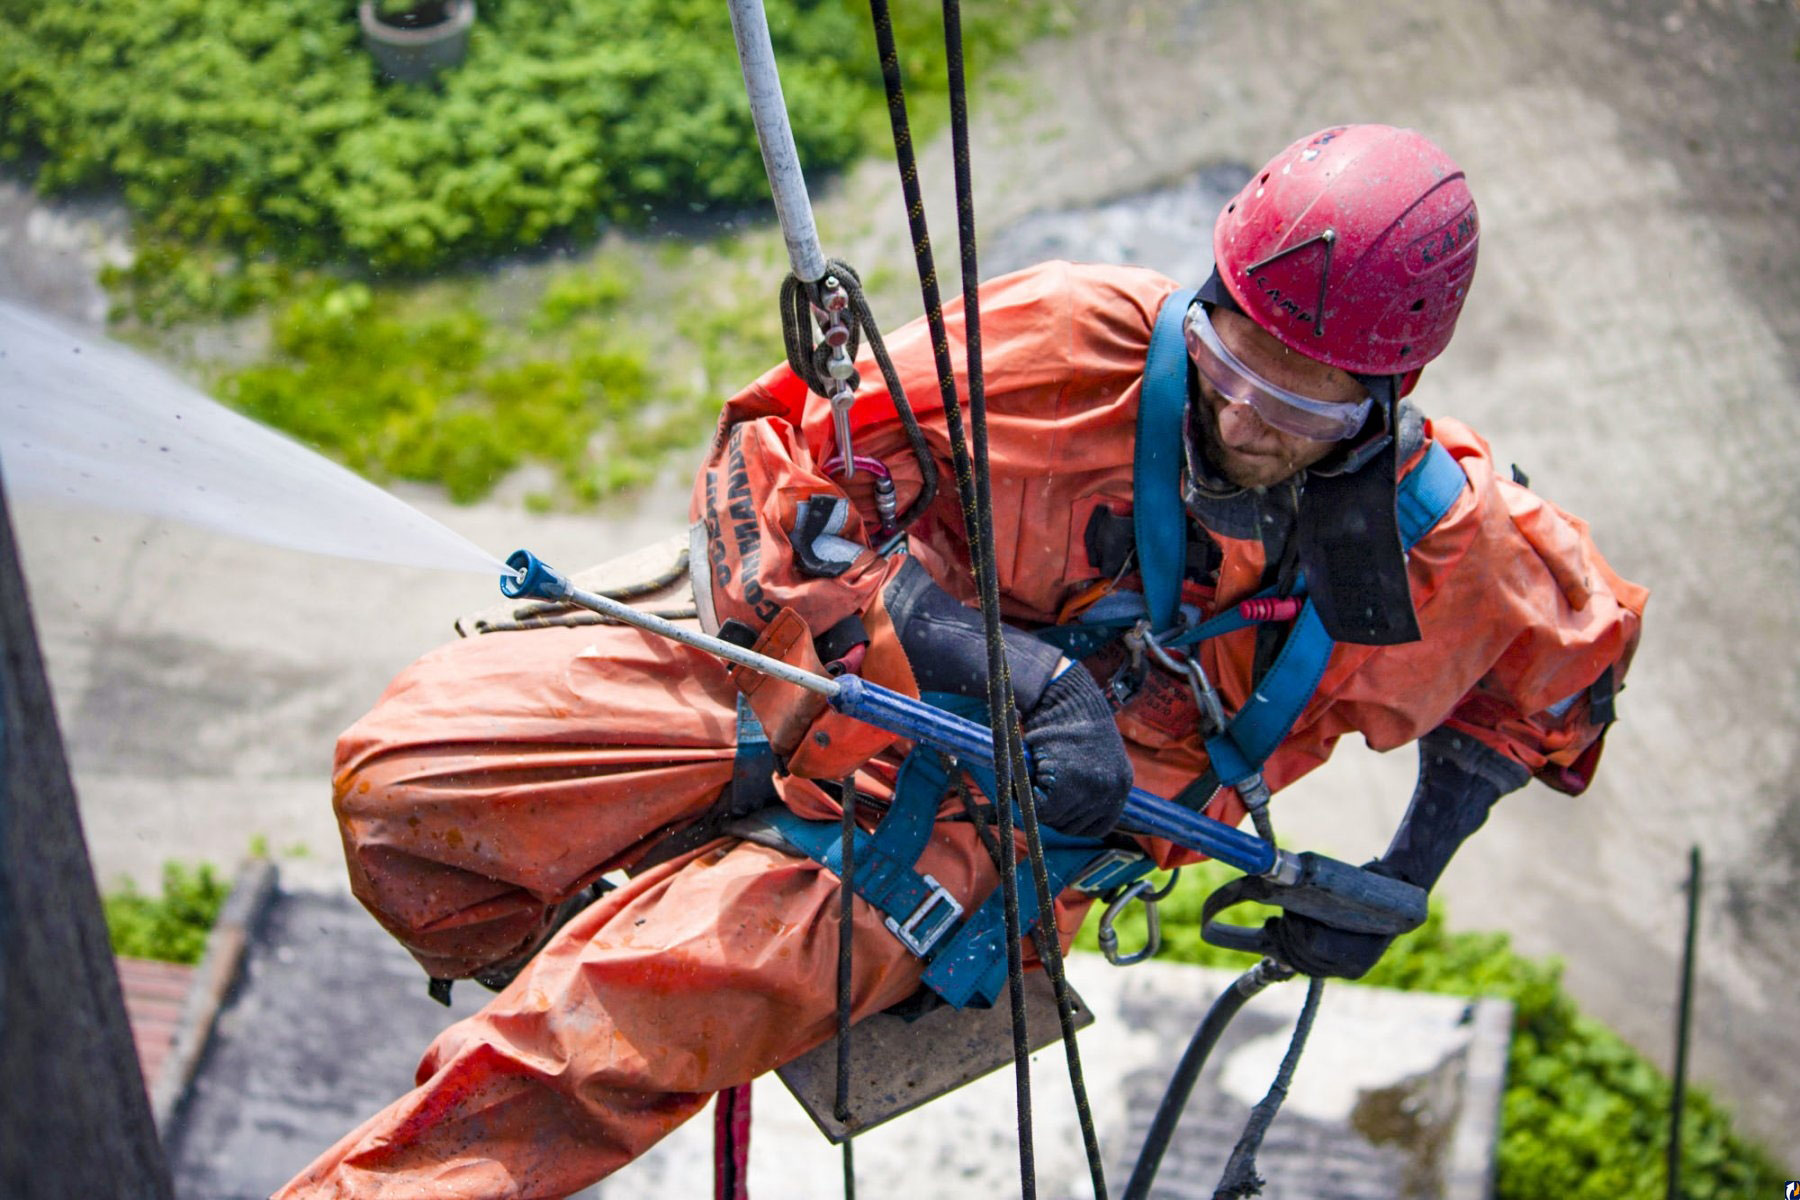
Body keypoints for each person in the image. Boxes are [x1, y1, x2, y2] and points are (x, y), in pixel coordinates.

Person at [278, 125, 1645, 1198]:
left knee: (608, 1030)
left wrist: (1404, 879)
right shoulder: (1065, 348)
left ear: (1382, 398)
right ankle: (631, 883)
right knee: (410, 791)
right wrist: (977, 652)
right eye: (1231, 347)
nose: (1241, 408)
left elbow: (1561, 676)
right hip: (839, 669)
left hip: (982, 838)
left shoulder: (1447, 545)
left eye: (1298, 399)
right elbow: (784, 469)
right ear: (1211, 288)